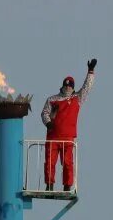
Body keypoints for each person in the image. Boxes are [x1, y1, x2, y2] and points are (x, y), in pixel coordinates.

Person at [41, 58, 97, 192]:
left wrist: (90, 72)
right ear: (62, 86)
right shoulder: (53, 99)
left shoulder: (77, 98)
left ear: (73, 87)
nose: (67, 87)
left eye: (70, 85)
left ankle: (67, 185)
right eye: (66, 85)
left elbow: (87, 88)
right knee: (50, 162)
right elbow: (44, 113)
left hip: (68, 137)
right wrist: (48, 123)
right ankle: (49, 185)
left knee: (67, 163)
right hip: (53, 136)